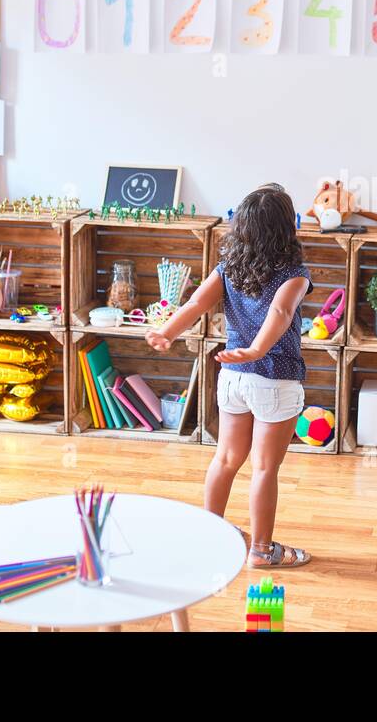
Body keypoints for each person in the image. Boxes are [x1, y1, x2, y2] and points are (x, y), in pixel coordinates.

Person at [147, 183, 313, 566]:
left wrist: (168, 332)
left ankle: (210, 535)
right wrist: (258, 350)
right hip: (274, 376)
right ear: (287, 229)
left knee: (225, 459)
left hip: (233, 377)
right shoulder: (295, 274)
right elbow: (282, 314)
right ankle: (262, 550)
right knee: (265, 467)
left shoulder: (228, 269)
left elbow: (195, 302)